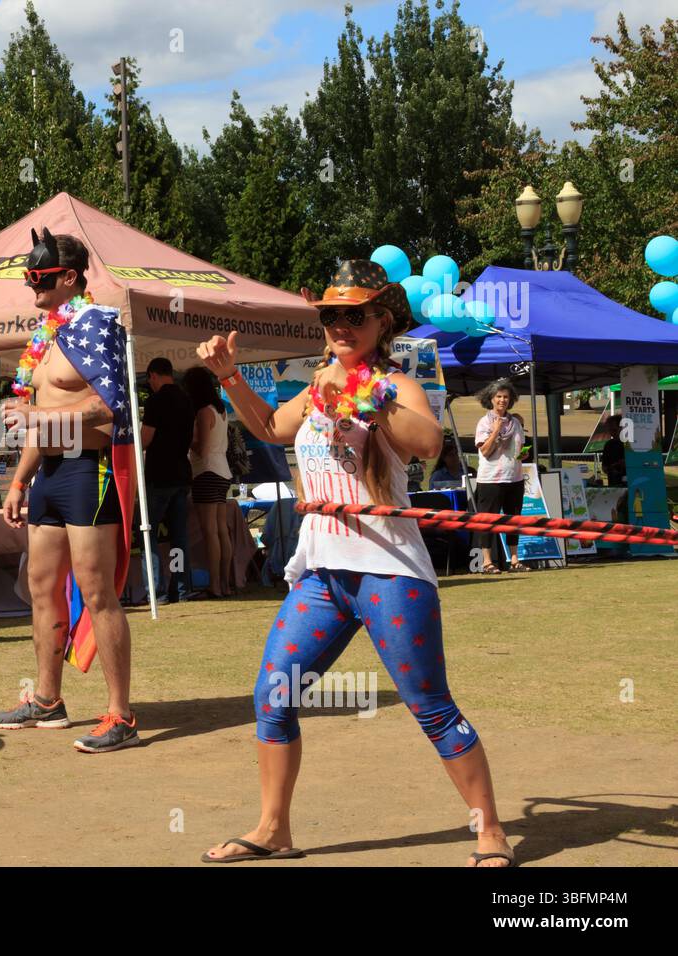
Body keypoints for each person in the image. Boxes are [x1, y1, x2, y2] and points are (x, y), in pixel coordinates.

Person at [197, 259, 513, 866]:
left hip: (387, 567)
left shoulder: (396, 384)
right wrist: (231, 376)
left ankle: (490, 831)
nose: (341, 325)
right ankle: (272, 829)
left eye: (355, 315)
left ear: (381, 320)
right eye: (331, 315)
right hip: (321, 571)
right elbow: (268, 427)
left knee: (430, 706)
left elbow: (427, 445)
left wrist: (367, 396)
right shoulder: (315, 387)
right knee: (274, 695)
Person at [0, 227, 139, 754]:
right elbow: (44, 420)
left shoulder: (98, 324)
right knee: (40, 587)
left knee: (98, 592)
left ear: (69, 277)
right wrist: (19, 478)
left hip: (89, 468)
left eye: (40, 277)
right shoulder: (49, 331)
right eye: (29, 277)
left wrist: (36, 414)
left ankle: (120, 714)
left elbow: (107, 407)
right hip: (50, 473)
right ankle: (47, 699)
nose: (32, 286)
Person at [139, 357, 196, 602]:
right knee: (178, 536)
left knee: (147, 532)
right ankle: (180, 587)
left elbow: (145, 439)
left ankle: (156, 590)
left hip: (159, 474)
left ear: (153, 375)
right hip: (181, 473)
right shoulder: (187, 399)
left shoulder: (156, 401)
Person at [184, 365, 235, 598]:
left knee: (210, 532)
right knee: (221, 531)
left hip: (206, 472)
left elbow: (201, 449)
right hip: (222, 471)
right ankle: (225, 583)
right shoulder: (220, 410)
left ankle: (215, 585)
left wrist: (185, 439)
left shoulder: (203, 411)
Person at [473, 378, 528, 574]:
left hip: (514, 477)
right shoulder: (484, 422)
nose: (502, 400)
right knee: (488, 520)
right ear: (491, 399)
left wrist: (523, 454)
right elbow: (486, 451)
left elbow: (520, 448)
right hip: (491, 480)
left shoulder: (515, 423)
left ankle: (514, 559)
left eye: (506, 397)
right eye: (499, 397)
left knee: (514, 519)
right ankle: (487, 562)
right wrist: (496, 430)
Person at [600, 414, 627, 485]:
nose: (612, 433)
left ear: (622, 428)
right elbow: (604, 467)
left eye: (614, 430)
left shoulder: (631, 445)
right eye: (610, 430)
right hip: (613, 484)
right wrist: (611, 469)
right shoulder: (608, 445)